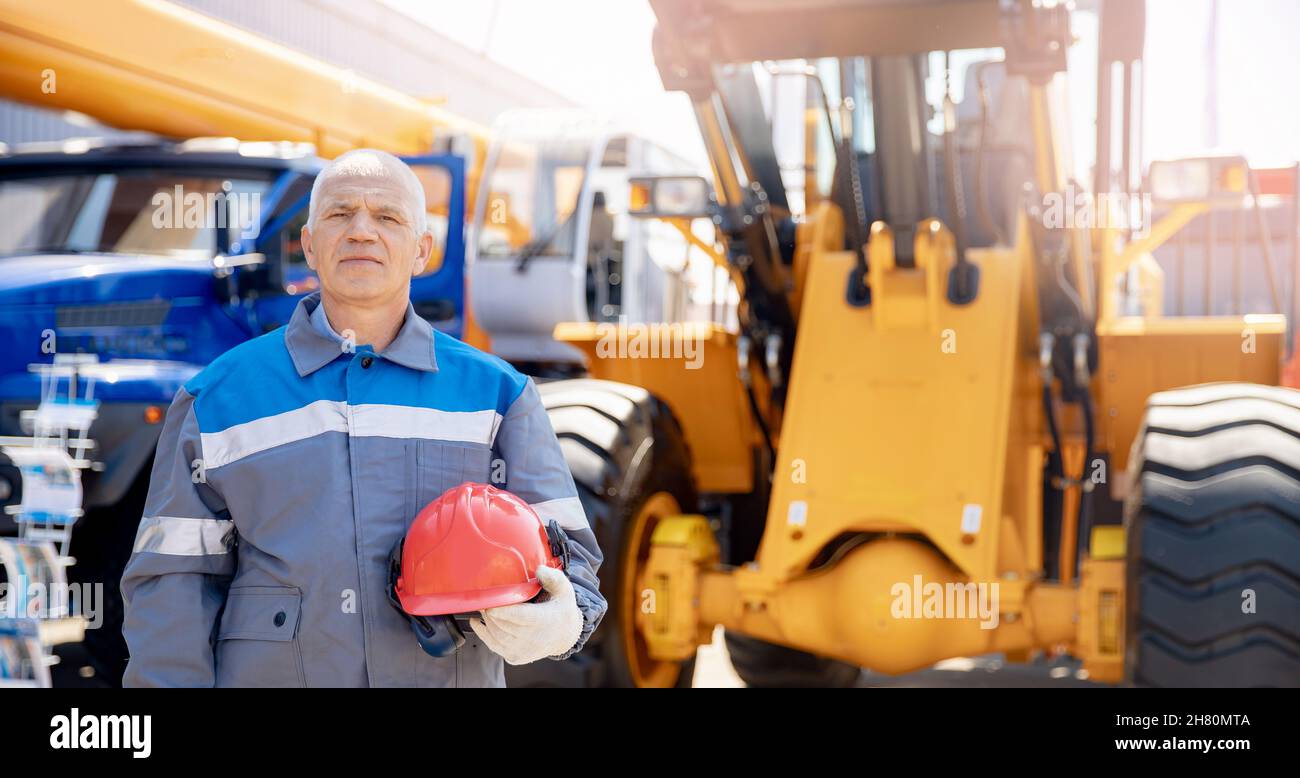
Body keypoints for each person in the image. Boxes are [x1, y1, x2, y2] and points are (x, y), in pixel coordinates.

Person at [120, 149, 606, 687]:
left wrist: (563, 621)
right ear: (308, 244)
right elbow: (174, 585)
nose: (361, 231)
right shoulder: (218, 398)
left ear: (422, 250)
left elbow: (570, 557)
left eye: (388, 217)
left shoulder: (497, 396)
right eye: (339, 213)